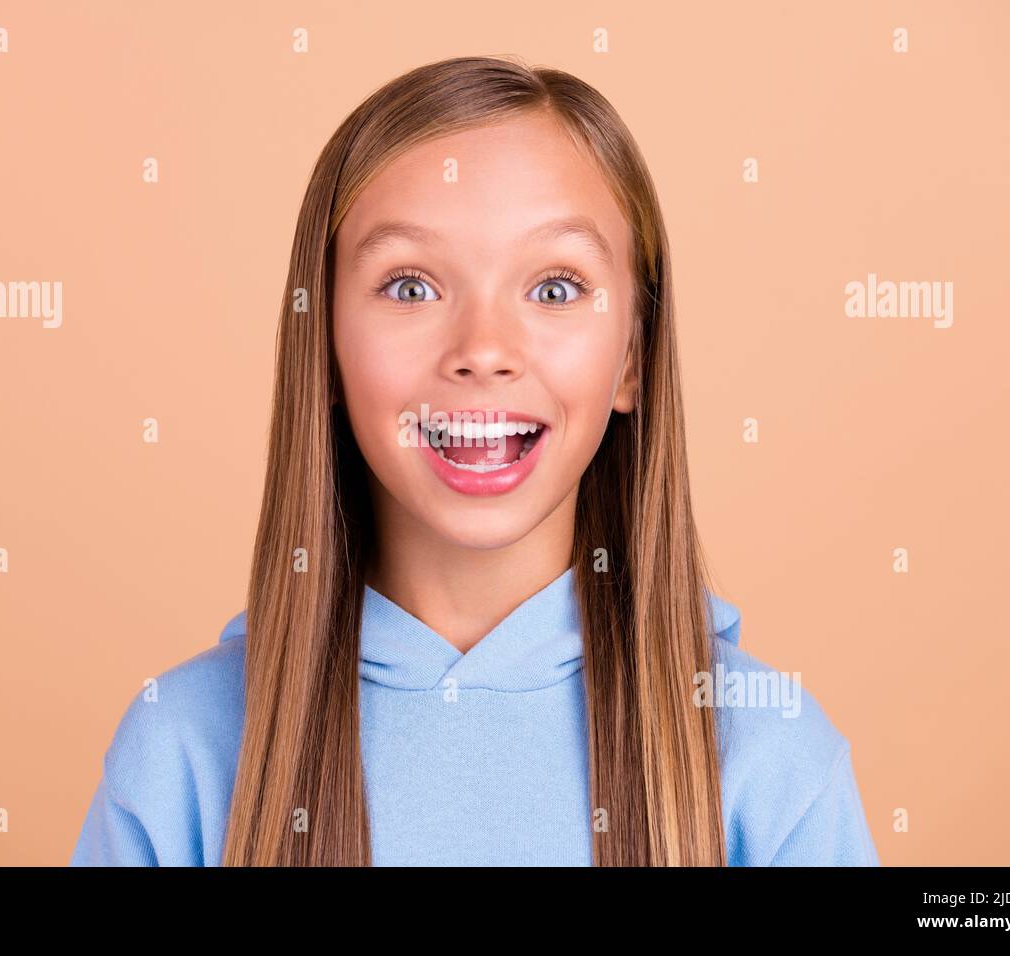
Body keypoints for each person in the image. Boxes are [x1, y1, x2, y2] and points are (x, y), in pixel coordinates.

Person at [71, 55, 879, 867]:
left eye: (556, 289)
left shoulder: (772, 762)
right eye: (412, 287)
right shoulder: (181, 751)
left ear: (632, 358)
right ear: (324, 348)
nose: (483, 351)